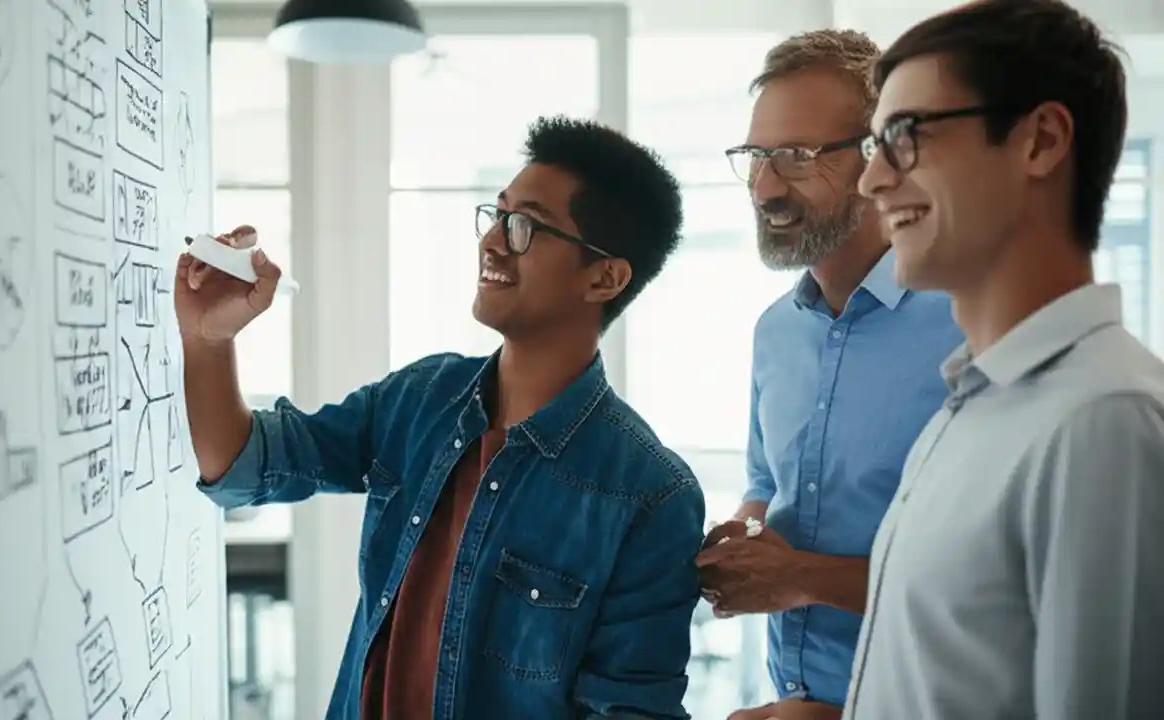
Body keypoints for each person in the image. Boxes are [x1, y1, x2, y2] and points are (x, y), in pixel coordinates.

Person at [178, 116, 705, 719]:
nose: (492, 241)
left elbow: (631, 710)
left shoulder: (650, 495)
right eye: (498, 214)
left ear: (604, 277)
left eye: (526, 225)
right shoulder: (421, 397)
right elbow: (244, 466)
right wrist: (208, 341)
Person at [847, 1, 1164, 717]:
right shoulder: (971, 406)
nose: (871, 183)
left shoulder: (1103, 421)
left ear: (1041, 140)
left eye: (902, 135)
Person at [694, 30, 963, 720]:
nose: (763, 186)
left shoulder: (967, 327)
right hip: (793, 702)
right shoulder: (774, 333)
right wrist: (739, 547)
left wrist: (802, 581)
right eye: (755, 156)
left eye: (796, 156)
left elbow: (994, 581)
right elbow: (766, 486)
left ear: (881, 158)